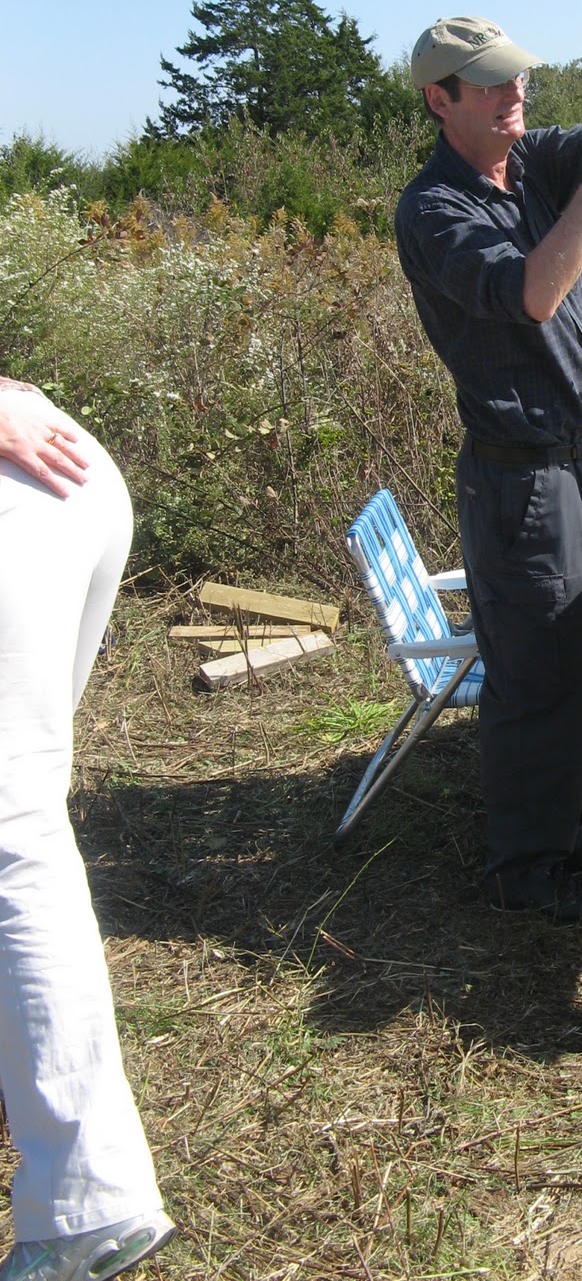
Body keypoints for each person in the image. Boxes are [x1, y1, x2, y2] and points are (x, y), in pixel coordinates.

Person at [395, 9, 582, 925]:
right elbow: (533, 290)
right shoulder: (434, 210)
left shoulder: (529, 161)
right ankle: (528, 867)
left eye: (518, 77)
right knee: (538, 677)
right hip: (518, 480)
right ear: (441, 101)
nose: (515, 94)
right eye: (491, 85)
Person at [0, 378, 174, 1280]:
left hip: (22, 484)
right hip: (62, 476)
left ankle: (82, 1205)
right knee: (21, 814)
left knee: (8, 834)